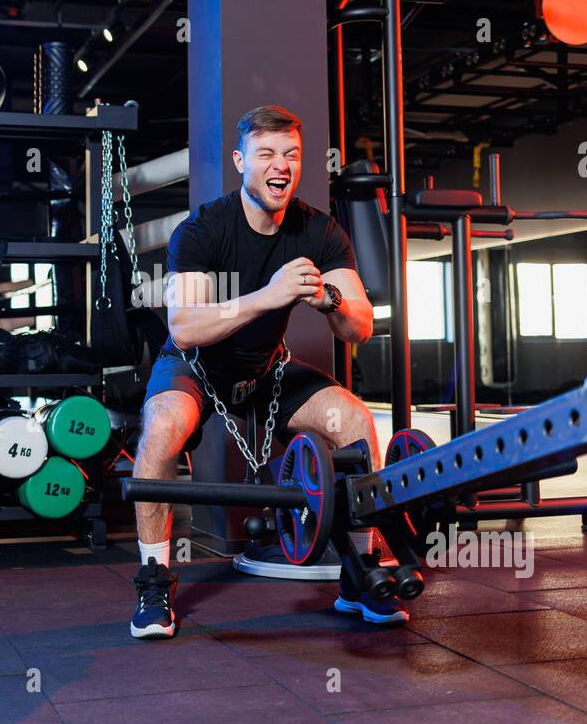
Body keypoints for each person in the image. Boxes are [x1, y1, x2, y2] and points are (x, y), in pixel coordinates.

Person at [129, 104, 406, 639]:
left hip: (267, 371)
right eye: (266, 154)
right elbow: (185, 327)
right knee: (161, 428)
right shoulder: (203, 229)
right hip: (194, 367)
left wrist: (327, 298)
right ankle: (154, 578)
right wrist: (269, 296)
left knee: (354, 422)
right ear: (241, 161)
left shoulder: (319, 231)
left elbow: (360, 329)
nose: (280, 166)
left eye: (291, 155)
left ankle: (361, 573)